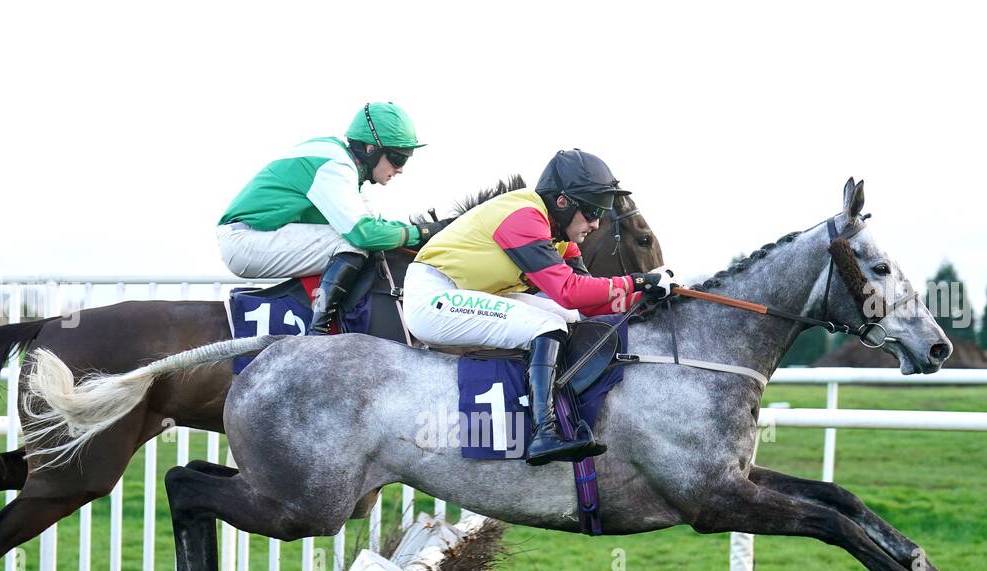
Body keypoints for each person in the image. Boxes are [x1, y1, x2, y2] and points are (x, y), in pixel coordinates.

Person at [406, 148, 676, 466]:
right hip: (433, 296)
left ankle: (562, 415)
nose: (596, 222)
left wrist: (643, 298)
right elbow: (568, 291)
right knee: (547, 325)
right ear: (562, 202)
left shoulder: (560, 235)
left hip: (470, 293)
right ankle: (544, 433)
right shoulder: (524, 217)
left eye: (601, 213)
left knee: (568, 319)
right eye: (591, 211)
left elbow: (587, 303)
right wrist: (638, 282)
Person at [216, 102, 446, 334]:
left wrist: (424, 233)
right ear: (370, 149)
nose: (400, 169)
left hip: (257, 237)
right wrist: (425, 231)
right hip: (245, 240)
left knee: (367, 241)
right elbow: (365, 234)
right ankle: (318, 332)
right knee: (352, 242)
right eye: (398, 158)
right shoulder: (335, 164)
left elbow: (378, 228)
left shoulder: (345, 169)